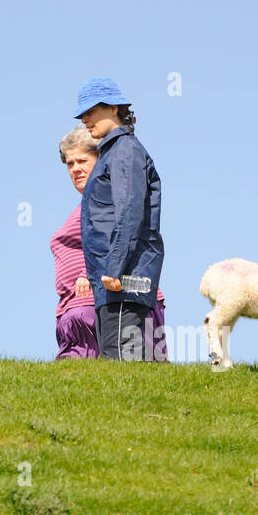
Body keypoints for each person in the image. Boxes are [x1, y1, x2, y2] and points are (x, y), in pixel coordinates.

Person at [52, 126, 166, 359]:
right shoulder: (87, 207)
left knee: (128, 370)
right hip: (86, 307)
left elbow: (124, 231)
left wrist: (88, 272)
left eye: (82, 160)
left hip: (114, 299)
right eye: (69, 164)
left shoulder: (109, 201)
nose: (75, 169)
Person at [73, 77, 165, 361]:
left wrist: (114, 269)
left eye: (91, 111)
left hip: (124, 278)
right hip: (114, 280)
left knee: (121, 361)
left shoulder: (124, 150)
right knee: (118, 360)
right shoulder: (111, 152)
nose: (85, 119)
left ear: (113, 107)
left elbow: (129, 214)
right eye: (82, 114)